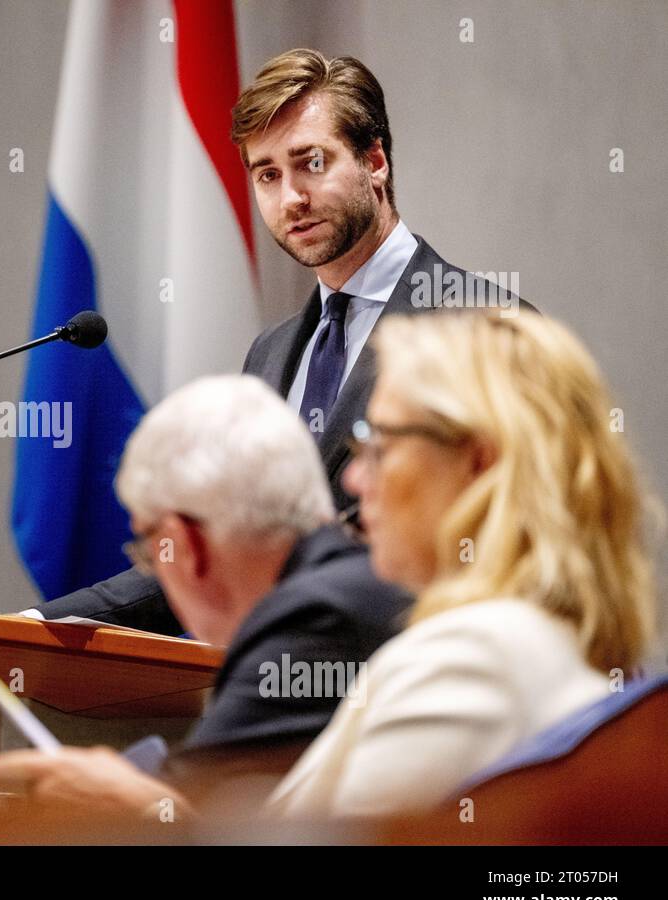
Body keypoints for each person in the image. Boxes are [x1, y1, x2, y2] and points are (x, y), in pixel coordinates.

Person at [0, 311, 660, 821]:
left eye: (379, 444)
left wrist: (142, 808)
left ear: (478, 462)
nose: (358, 479)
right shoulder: (536, 641)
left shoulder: (475, 654)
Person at [30, 48, 531, 634]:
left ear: (375, 161)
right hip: (281, 690)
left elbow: (509, 541)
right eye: (267, 175)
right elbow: (215, 539)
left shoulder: (482, 325)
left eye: (311, 163)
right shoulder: (271, 353)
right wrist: (33, 625)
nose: (290, 197)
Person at [0, 374, 411, 814]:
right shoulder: (353, 585)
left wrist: (122, 797)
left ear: (183, 544)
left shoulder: (313, 620)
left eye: (149, 551)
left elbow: (194, 819)